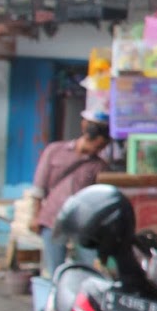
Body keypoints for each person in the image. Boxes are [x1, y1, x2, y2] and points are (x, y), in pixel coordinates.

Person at [32, 112, 112, 275]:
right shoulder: (54, 151)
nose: (97, 151)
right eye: (97, 147)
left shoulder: (99, 166)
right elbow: (39, 187)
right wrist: (35, 216)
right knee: (56, 271)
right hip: (52, 219)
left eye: (101, 148)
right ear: (88, 137)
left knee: (89, 270)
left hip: (83, 225)